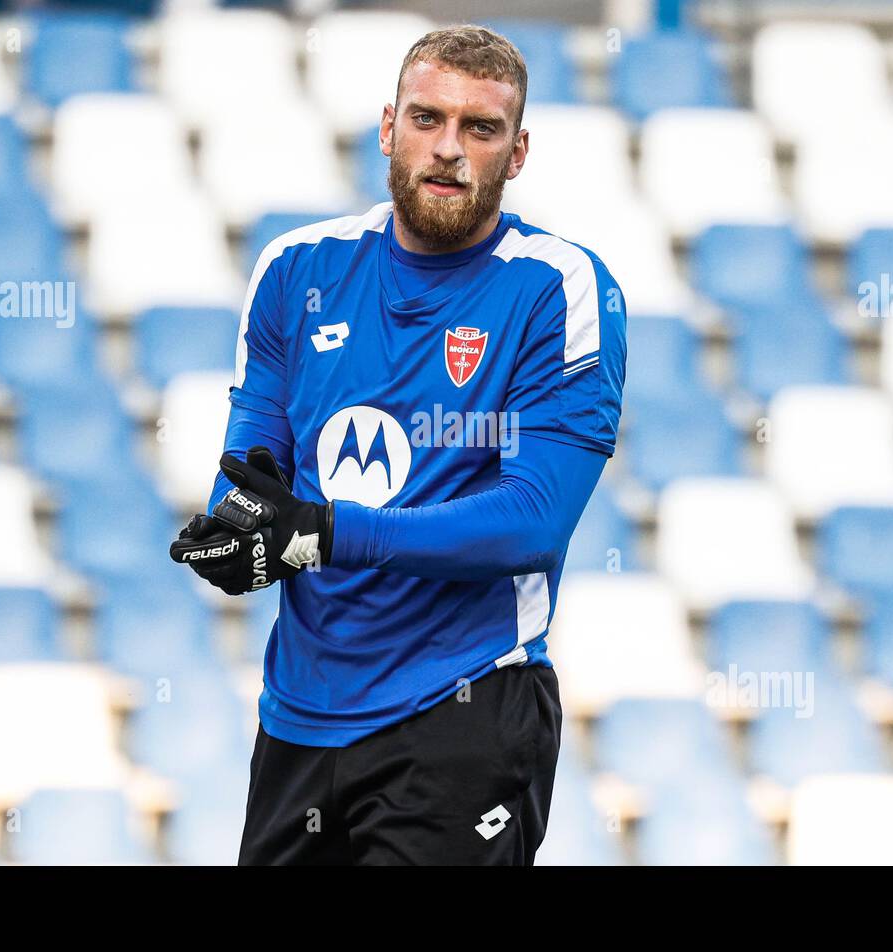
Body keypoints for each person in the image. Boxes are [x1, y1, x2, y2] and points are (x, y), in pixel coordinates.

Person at [170, 24, 626, 865]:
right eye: (427, 119)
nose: (448, 149)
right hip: (299, 716)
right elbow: (255, 476)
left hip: (466, 710)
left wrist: (329, 531)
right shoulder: (295, 270)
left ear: (517, 152)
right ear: (388, 129)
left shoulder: (558, 287)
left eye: (479, 129)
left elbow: (532, 521)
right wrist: (239, 538)